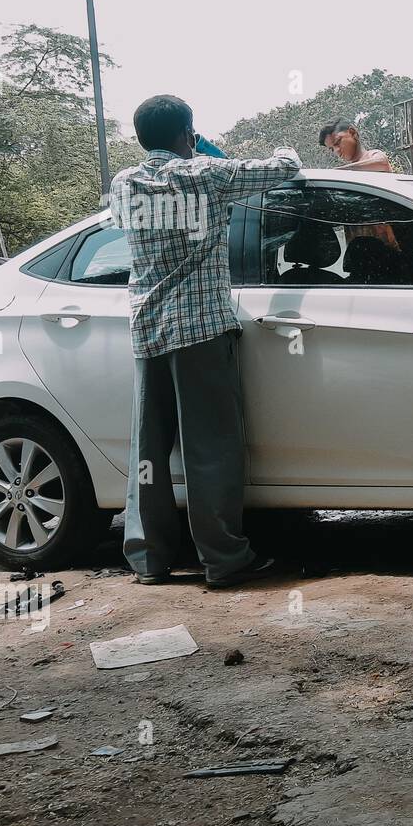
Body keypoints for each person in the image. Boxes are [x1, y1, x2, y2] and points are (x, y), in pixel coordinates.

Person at [110, 94, 301, 590]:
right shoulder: (207, 177)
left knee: (149, 450)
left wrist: (192, 147)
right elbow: (282, 167)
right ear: (186, 133)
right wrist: (269, 148)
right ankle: (223, 558)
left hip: (148, 327)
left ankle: (149, 559)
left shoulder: (123, 184)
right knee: (210, 447)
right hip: (200, 329)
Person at [318, 120, 394, 172]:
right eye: (332, 149)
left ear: (352, 133)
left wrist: (339, 171)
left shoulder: (372, 155)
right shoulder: (349, 170)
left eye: (337, 142)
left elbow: (381, 162)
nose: (336, 151)